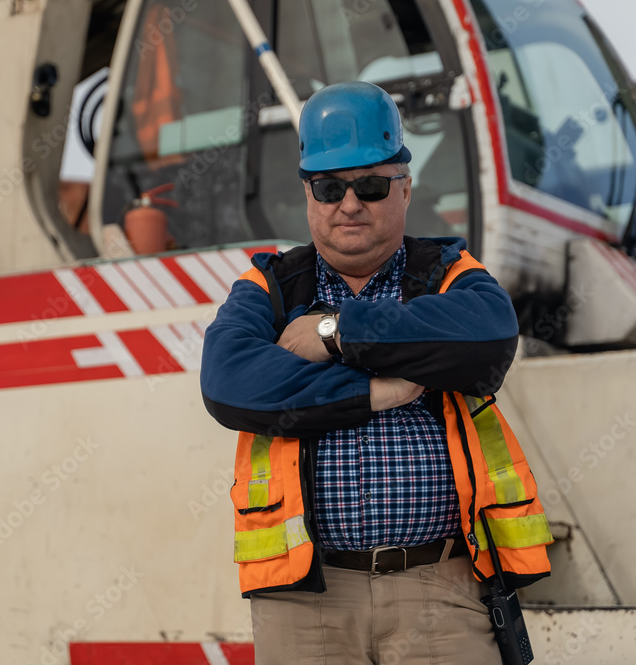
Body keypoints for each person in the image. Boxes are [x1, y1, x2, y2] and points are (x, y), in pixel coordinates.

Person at [201, 81, 552, 664]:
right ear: (308, 193)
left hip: (440, 587)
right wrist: (371, 392)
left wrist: (334, 333)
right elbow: (230, 381)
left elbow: (488, 337)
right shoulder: (270, 286)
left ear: (405, 188)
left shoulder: (447, 274)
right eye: (330, 186)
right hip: (304, 602)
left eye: (369, 184)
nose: (349, 202)